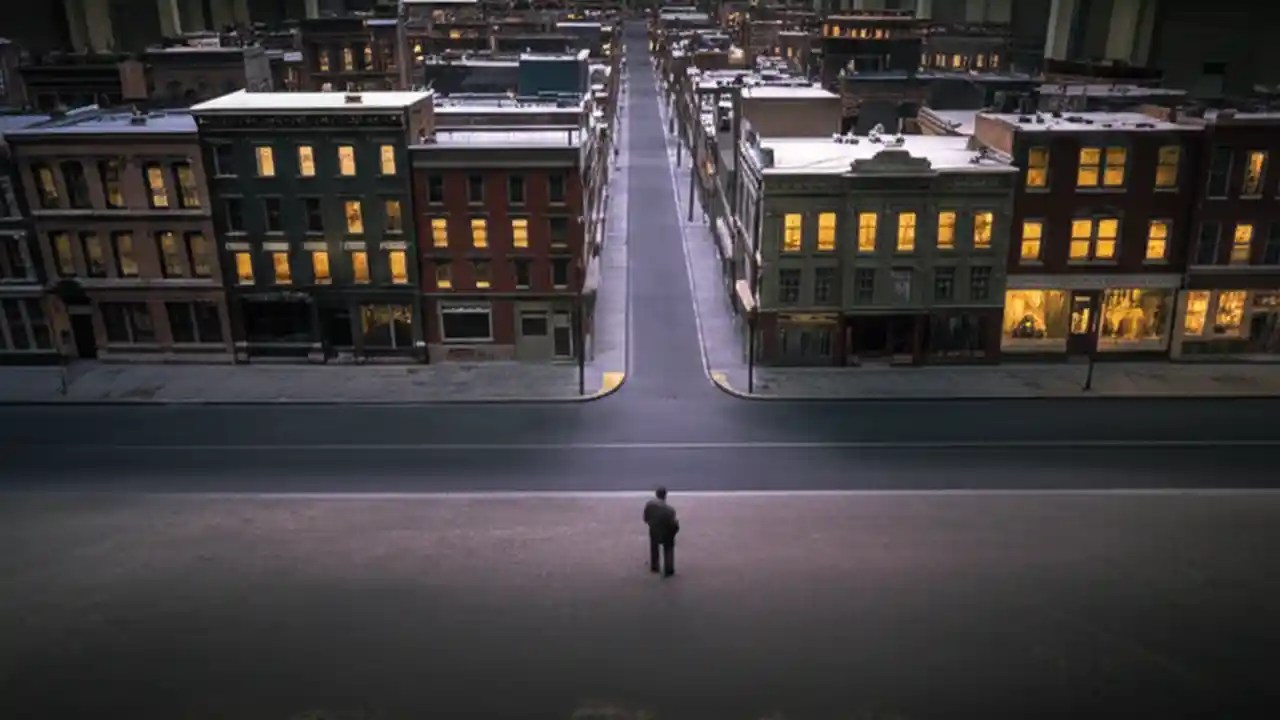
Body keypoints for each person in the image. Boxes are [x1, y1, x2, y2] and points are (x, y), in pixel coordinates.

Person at [643, 487, 679, 577]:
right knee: (668, 547)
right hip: (666, 532)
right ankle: (669, 568)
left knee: (654, 547)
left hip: (654, 530)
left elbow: (645, 519)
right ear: (665, 495)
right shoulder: (670, 510)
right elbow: (672, 523)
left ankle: (655, 566)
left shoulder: (649, 505)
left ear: (656, 494)